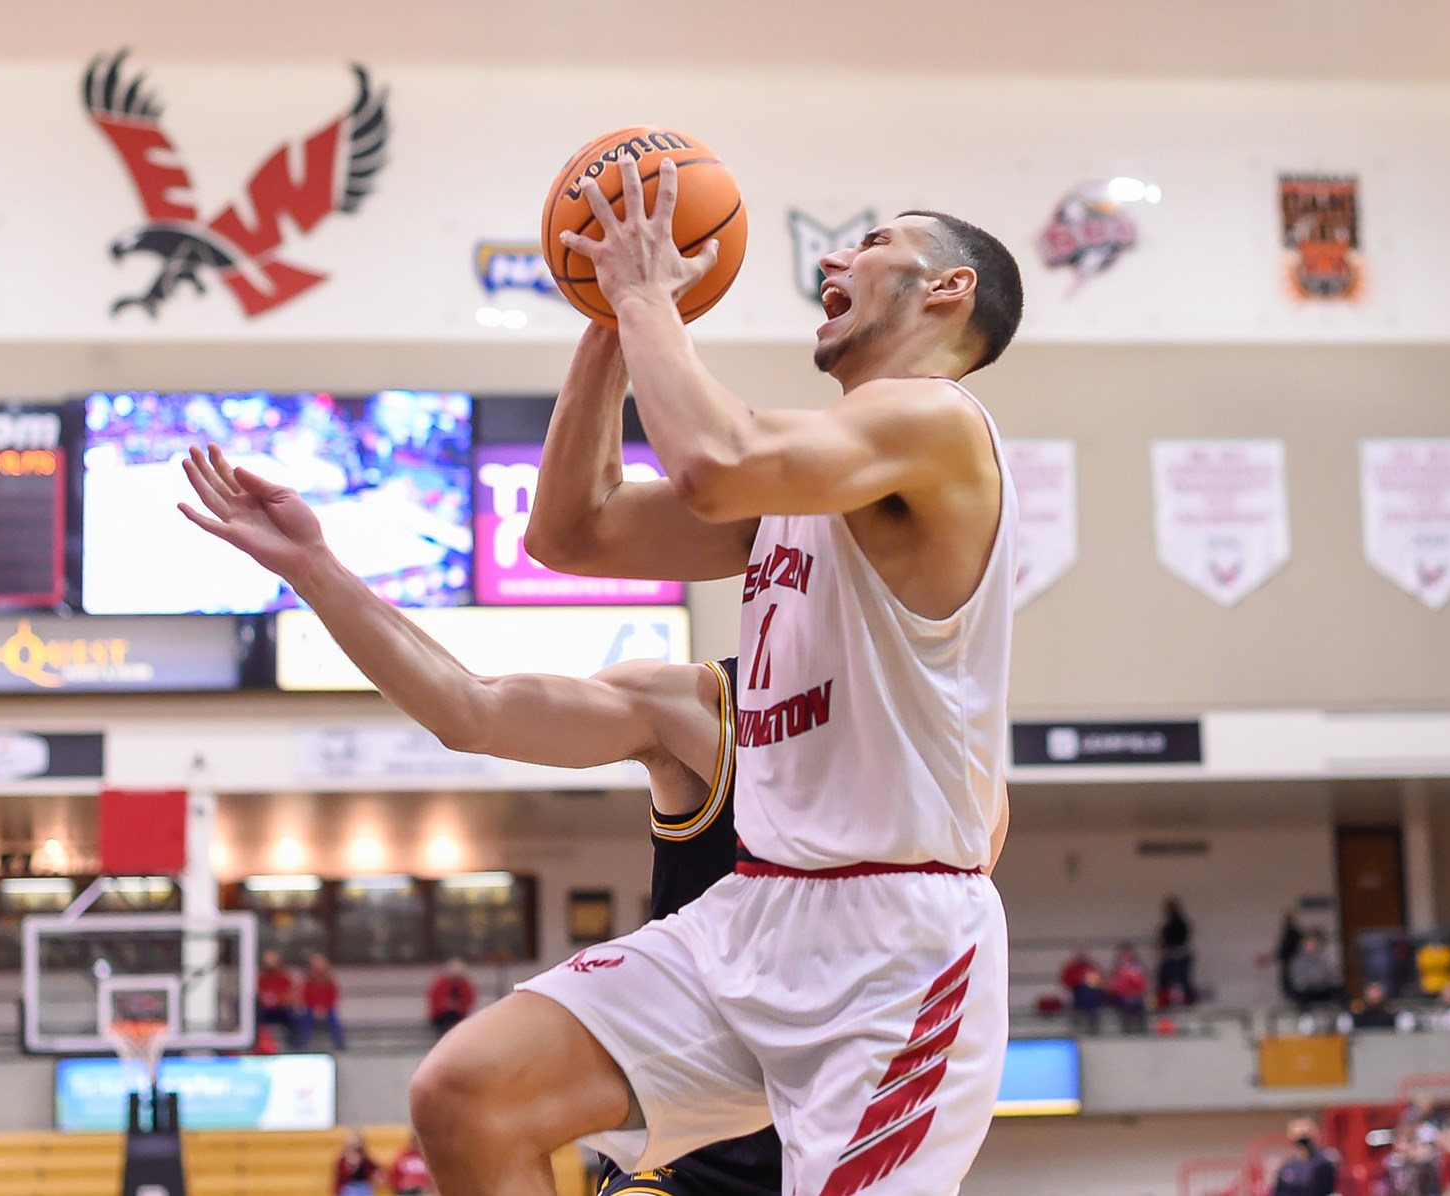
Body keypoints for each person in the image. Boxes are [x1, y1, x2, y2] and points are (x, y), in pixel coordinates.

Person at [410, 157, 1023, 1195]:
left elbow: (713, 458)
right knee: (468, 1093)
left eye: (873, 243)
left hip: (894, 952)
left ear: (948, 290)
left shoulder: (938, 422)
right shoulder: (814, 470)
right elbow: (572, 529)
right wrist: (609, 320)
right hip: (756, 911)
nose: (833, 255)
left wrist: (651, 293)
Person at [177, 442, 840, 1196]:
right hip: (695, 1149)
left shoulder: (925, 768)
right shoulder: (691, 709)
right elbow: (470, 709)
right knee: (462, 1092)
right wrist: (313, 568)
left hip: (844, 1126)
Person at [1272, 1116, 1339, 1196]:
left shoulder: (1323, 1163)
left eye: (1305, 1134)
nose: (1303, 1139)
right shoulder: (1288, 1167)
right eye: (1299, 1135)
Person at [256, 950, 306, 1050]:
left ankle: (295, 1047)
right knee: (253, 1017)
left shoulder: (284, 976)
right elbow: (258, 992)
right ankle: (257, 1046)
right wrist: (264, 999)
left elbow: (291, 994)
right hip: (265, 1010)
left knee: (295, 1019)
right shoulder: (261, 977)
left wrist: (279, 1000)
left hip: (281, 1009)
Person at [1157, 897, 1197, 1007]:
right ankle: (1163, 1001)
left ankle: (1189, 1001)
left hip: (1179, 954)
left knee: (1182, 980)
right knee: (1164, 979)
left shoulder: (1180, 923)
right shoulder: (1170, 924)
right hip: (1171, 955)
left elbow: (1178, 939)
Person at [302, 954, 345, 1052]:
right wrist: (315, 1008)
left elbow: (333, 997)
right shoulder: (308, 983)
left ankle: (340, 1045)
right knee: (304, 1022)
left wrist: (324, 1009)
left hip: (327, 1009)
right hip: (311, 1009)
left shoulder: (330, 983)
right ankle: (303, 1045)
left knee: (335, 1023)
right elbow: (306, 997)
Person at [1059, 947, 1105, 1036]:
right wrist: (1079, 981)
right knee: (1083, 991)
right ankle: (1079, 1028)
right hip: (1076, 994)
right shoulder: (1071, 968)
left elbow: (1098, 982)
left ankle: (1093, 1027)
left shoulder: (1092, 967)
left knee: (1089, 992)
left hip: (1091, 995)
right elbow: (1066, 981)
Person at [1107, 943, 1150, 1034]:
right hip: (1122, 997)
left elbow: (1143, 984)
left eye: (1128, 953)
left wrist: (1135, 995)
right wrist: (1125, 995)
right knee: (1123, 1005)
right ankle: (1127, 1031)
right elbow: (1114, 986)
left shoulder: (1139, 968)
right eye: (1124, 954)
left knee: (1142, 1006)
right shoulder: (1117, 969)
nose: (1126, 956)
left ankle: (1143, 1031)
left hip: (1137, 996)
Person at [427, 961, 476, 1038]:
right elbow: (435, 1002)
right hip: (441, 1016)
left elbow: (469, 1001)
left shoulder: (465, 986)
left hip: (458, 1015)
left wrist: (459, 1006)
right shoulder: (440, 984)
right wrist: (446, 1005)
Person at [334, 1130, 380, 1196]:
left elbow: (374, 1169)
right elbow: (340, 1178)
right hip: (348, 1187)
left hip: (363, 1187)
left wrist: (376, 1175)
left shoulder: (365, 1159)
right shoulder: (343, 1160)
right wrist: (350, 1166)